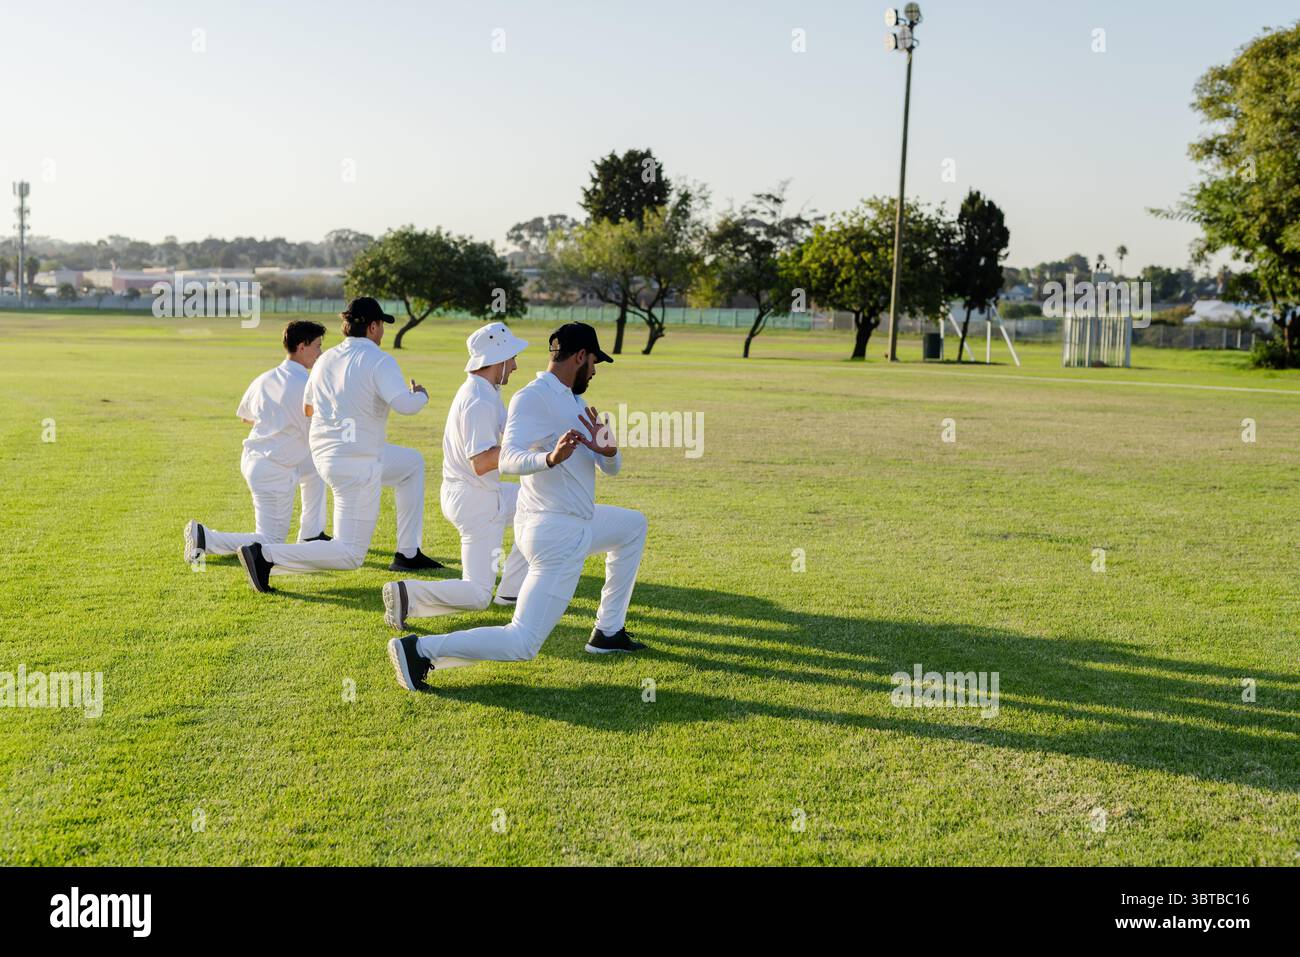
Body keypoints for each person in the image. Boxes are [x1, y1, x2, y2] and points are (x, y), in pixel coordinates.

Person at [387, 322, 648, 692]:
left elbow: (612, 468)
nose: (595, 370)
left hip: (580, 521)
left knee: (633, 526)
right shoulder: (533, 397)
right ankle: (420, 650)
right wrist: (549, 458)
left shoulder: (574, 401)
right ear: (579, 357)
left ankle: (608, 632)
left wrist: (610, 451)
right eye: (594, 362)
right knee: (522, 641)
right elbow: (507, 458)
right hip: (554, 533)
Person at [236, 297, 441, 592]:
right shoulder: (379, 359)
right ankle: (265, 554)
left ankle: (408, 553)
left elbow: (308, 409)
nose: (382, 332)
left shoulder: (326, 359)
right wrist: (421, 394)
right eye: (381, 325)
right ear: (372, 326)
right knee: (349, 555)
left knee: (412, 464)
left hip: (329, 458)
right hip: (357, 461)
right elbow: (406, 406)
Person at [381, 321, 531, 629]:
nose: (515, 365)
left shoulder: (485, 390)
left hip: (472, 493)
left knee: (536, 503)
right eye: (512, 358)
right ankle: (406, 592)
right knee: (477, 594)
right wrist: (539, 458)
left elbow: (507, 437)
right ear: (497, 360)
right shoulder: (479, 399)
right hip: (475, 500)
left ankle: (512, 590)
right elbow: (482, 461)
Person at [183, 320, 331, 564]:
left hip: (259, 459)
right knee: (270, 541)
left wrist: (276, 425)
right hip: (273, 469)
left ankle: (311, 534)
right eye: (317, 346)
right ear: (302, 347)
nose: (321, 353)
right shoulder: (305, 386)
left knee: (316, 468)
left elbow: (246, 417)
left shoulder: (265, 378)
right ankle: (205, 539)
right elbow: (317, 427)